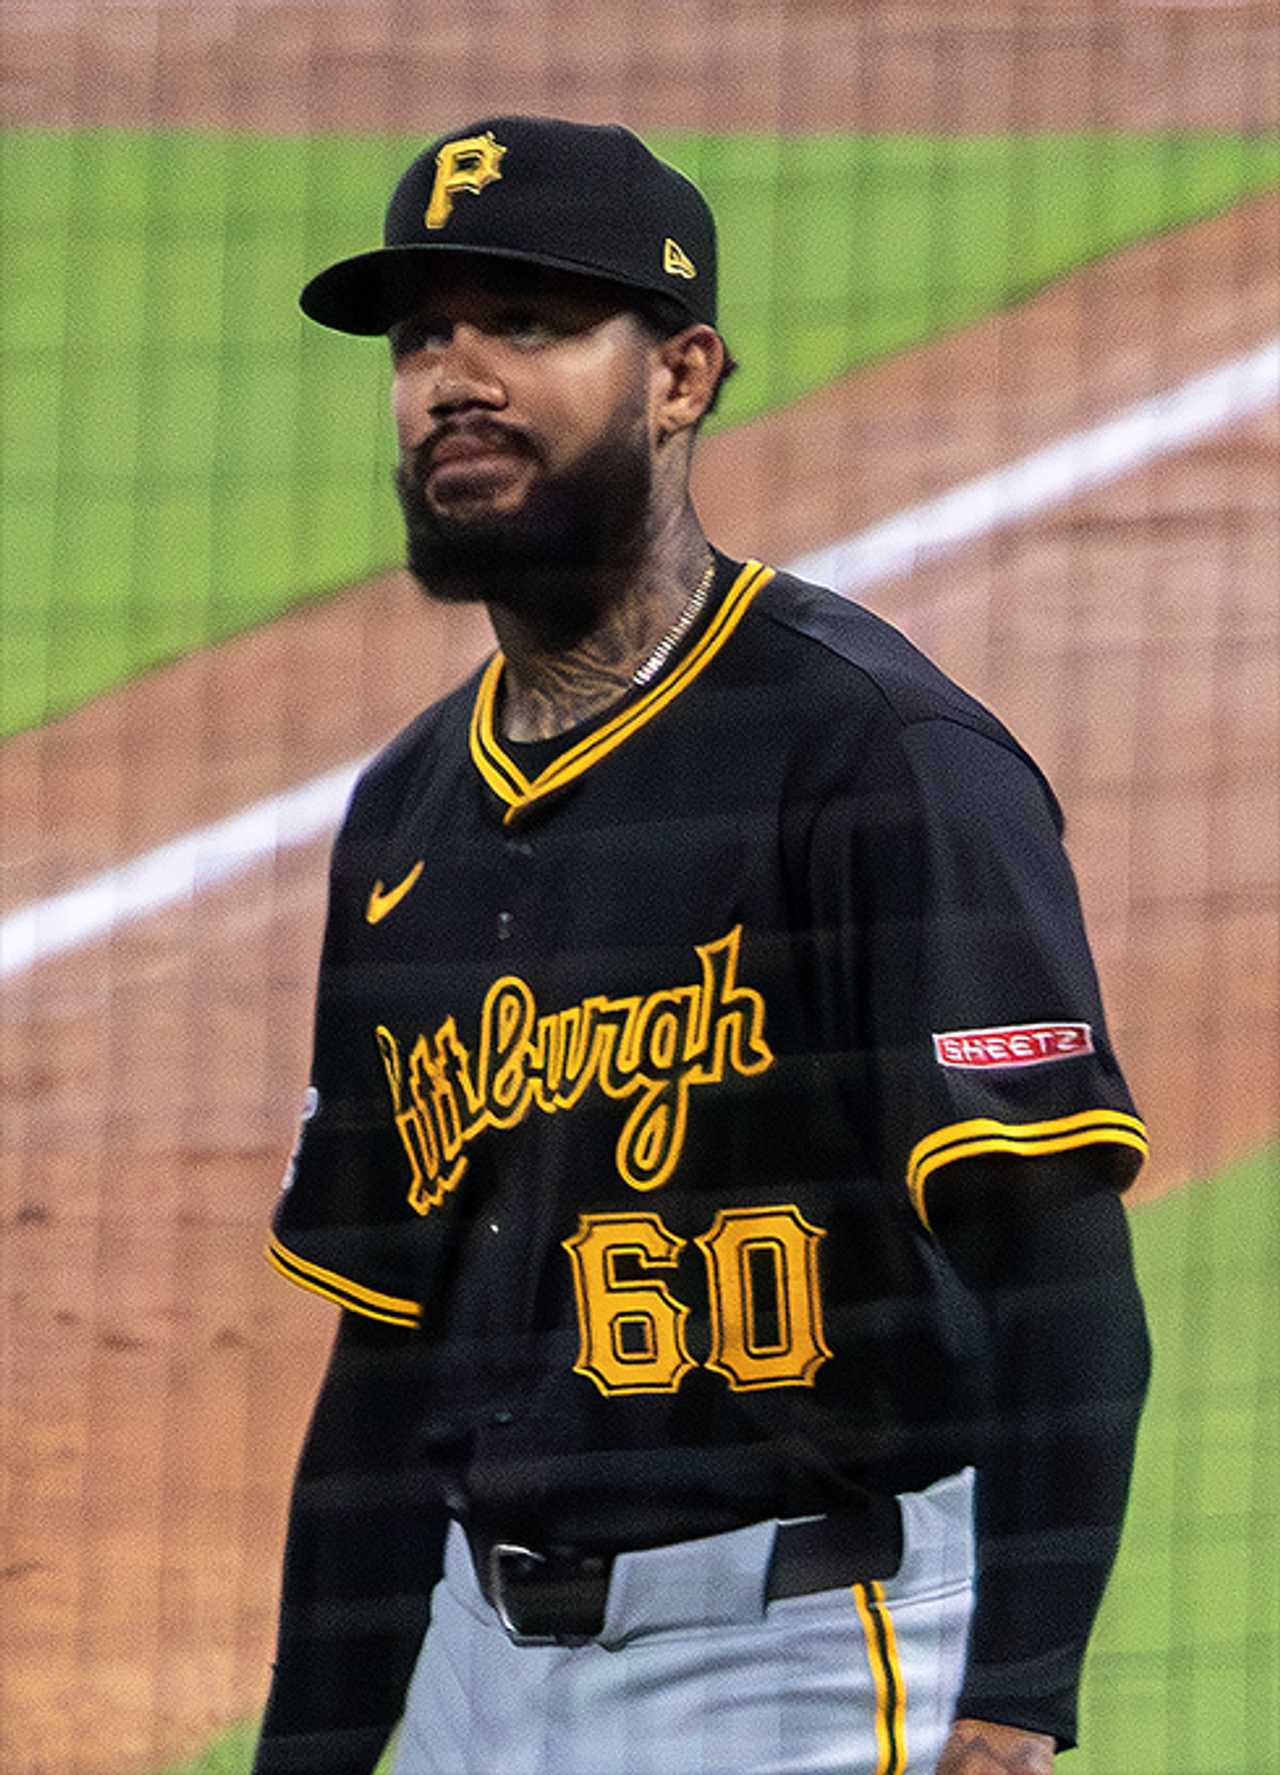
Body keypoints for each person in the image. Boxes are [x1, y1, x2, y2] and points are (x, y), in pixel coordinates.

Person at [254, 117, 1151, 1775]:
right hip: (476, 1662)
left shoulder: (871, 753)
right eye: (419, 337)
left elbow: (1065, 1273)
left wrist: (1015, 1707)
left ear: (680, 378)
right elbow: (386, 1370)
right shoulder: (403, 819)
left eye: (523, 324)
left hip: (799, 1667)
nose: (453, 374)